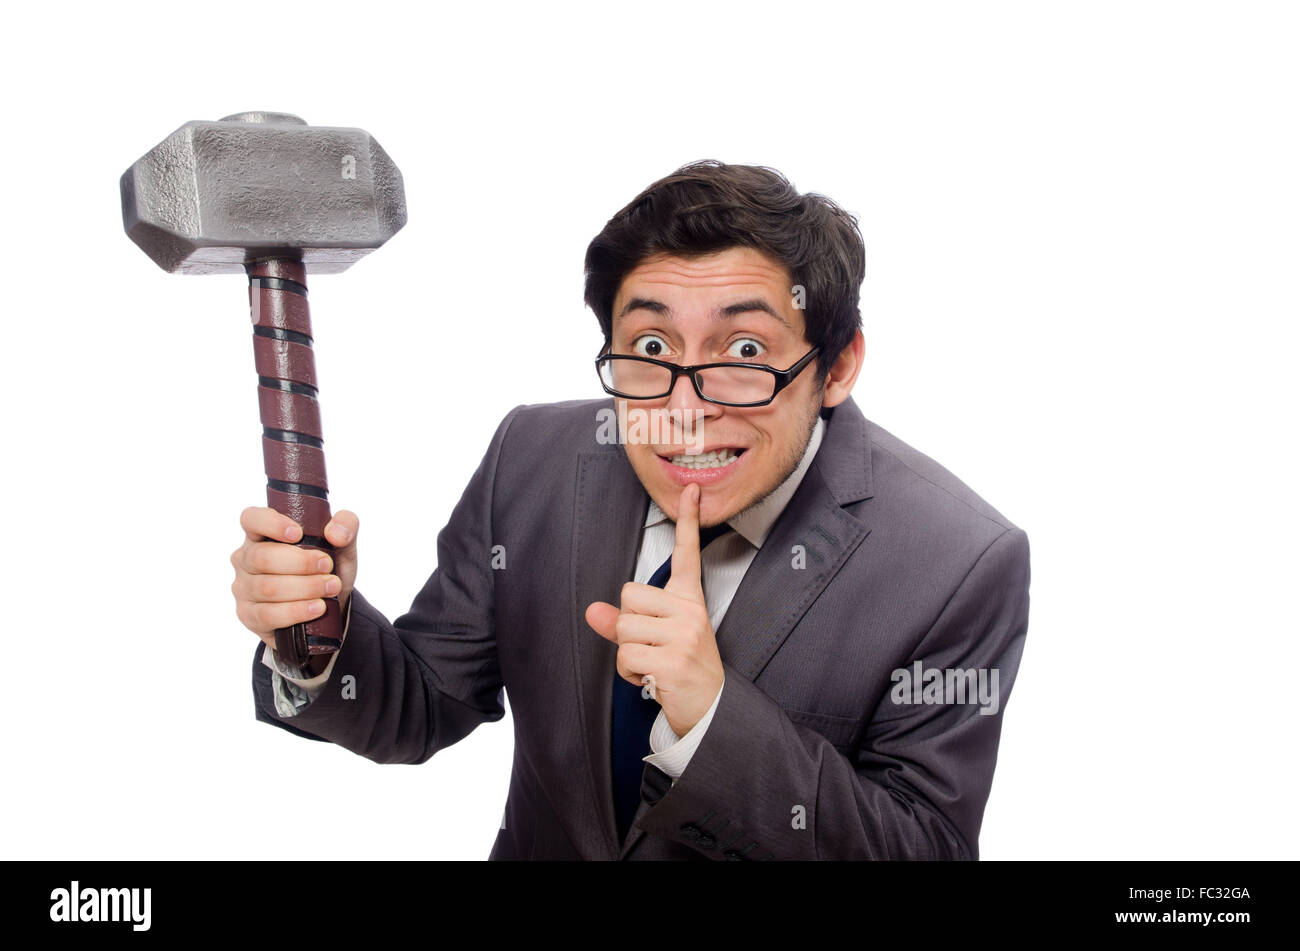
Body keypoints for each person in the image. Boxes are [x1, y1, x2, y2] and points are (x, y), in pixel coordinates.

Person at [231, 161, 1032, 860]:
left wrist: (713, 715)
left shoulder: (958, 560)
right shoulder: (533, 459)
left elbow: (925, 846)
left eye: (744, 353)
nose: (686, 409)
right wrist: (318, 633)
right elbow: (424, 703)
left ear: (838, 365)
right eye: (651, 349)